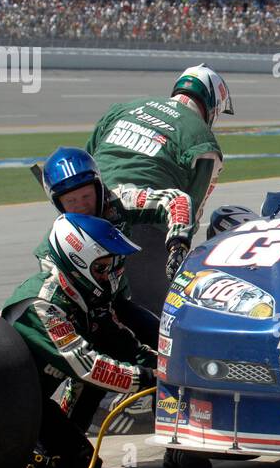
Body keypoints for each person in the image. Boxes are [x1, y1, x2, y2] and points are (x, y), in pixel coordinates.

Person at [2, 213, 157, 468]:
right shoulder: (41, 303)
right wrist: (147, 378)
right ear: (78, 262)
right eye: (103, 267)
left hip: (34, 403)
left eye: (115, 267)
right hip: (0, 408)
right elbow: (87, 366)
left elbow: (122, 344)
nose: (111, 275)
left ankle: (64, 437)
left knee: (78, 463)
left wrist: (168, 368)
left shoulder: (85, 299)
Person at [85, 64, 233, 309]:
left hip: (86, 212)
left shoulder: (124, 108)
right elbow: (191, 212)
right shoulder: (204, 141)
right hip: (145, 224)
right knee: (157, 315)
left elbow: (87, 160)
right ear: (212, 106)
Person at [34, 146, 194, 343]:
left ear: (99, 188)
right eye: (71, 200)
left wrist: (178, 243)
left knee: (165, 340)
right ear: (58, 204)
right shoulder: (51, 251)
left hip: (118, 302)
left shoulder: (117, 201)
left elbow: (176, 200)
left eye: (86, 196)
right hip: (84, 318)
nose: (82, 206)